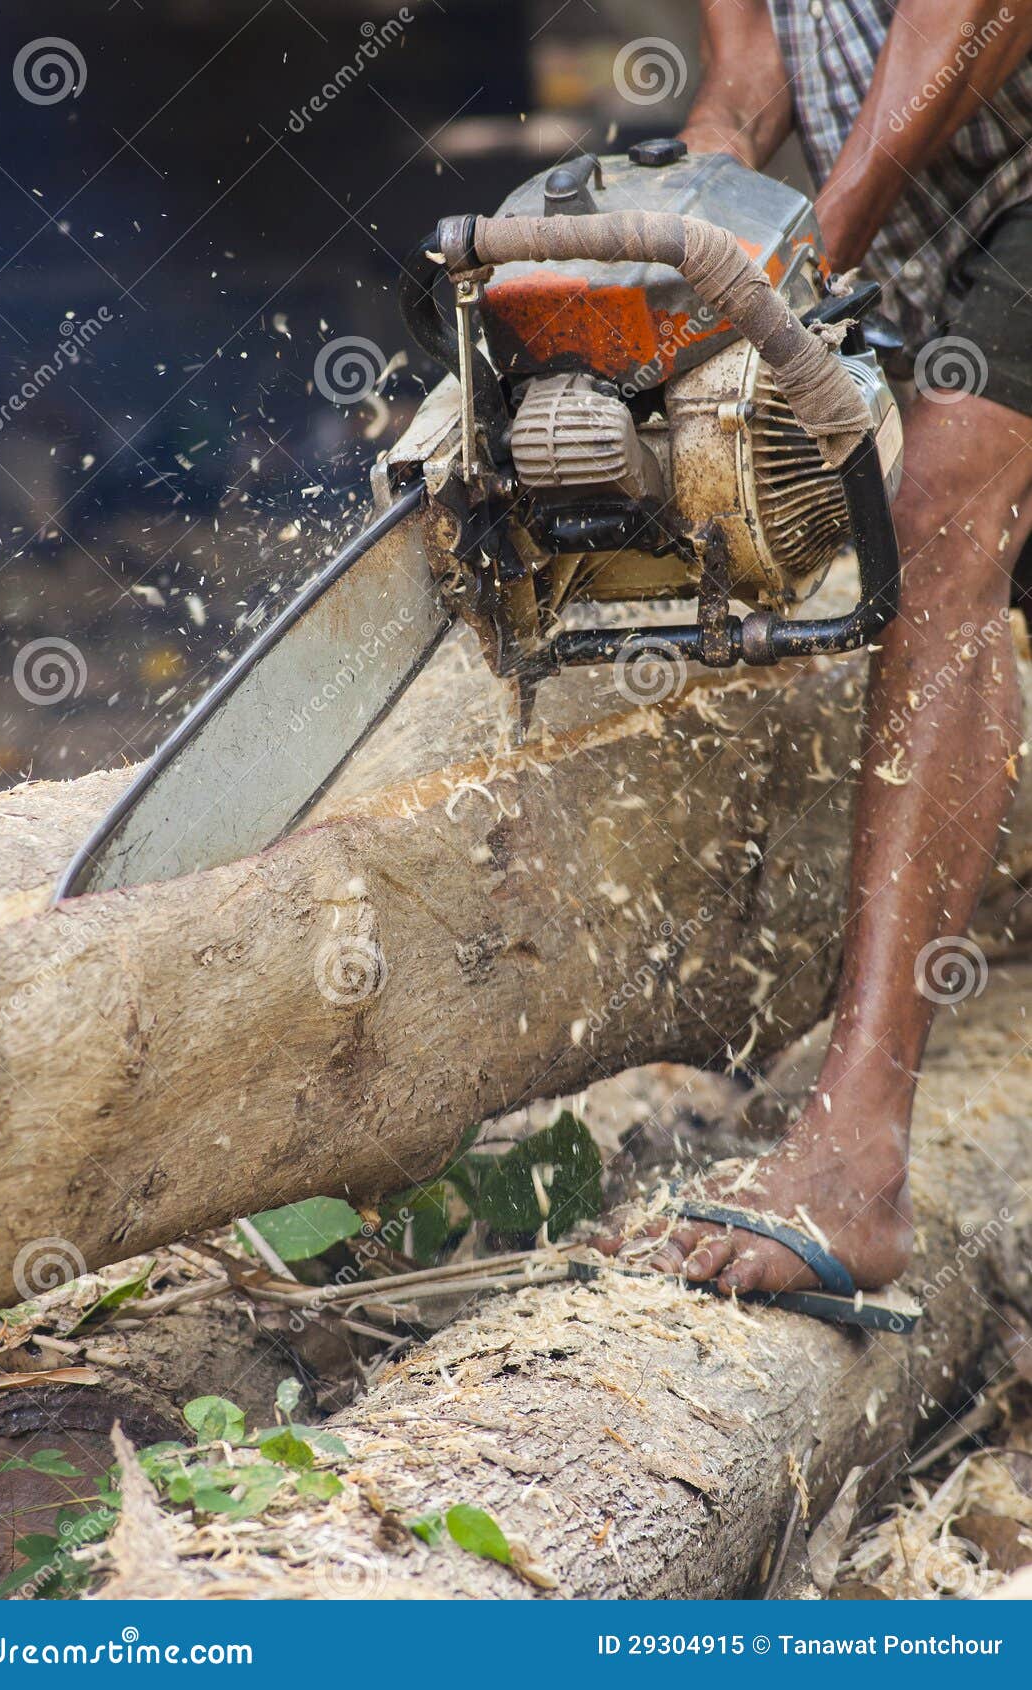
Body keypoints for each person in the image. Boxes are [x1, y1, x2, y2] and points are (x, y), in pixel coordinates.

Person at [600, 0, 1032, 1298]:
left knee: (939, 512)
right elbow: (747, 73)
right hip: (941, 236)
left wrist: (792, 262)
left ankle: (857, 1156)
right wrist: (691, 204)